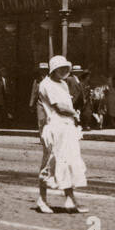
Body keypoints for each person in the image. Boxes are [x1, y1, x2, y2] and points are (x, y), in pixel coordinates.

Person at [36, 55, 87, 214]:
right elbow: (59, 107)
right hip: (54, 127)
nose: (64, 71)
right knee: (50, 163)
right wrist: (75, 113)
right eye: (61, 68)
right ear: (53, 69)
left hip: (67, 127)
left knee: (69, 162)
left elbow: (68, 105)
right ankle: (42, 200)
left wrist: (73, 115)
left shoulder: (64, 84)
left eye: (66, 68)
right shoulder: (46, 84)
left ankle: (70, 200)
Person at [27, 62, 48, 131]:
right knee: (41, 121)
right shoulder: (37, 80)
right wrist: (31, 104)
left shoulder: (50, 79)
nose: (43, 71)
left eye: (45, 69)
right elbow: (34, 92)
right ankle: (42, 139)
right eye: (41, 70)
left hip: (49, 102)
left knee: (49, 121)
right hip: (40, 102)